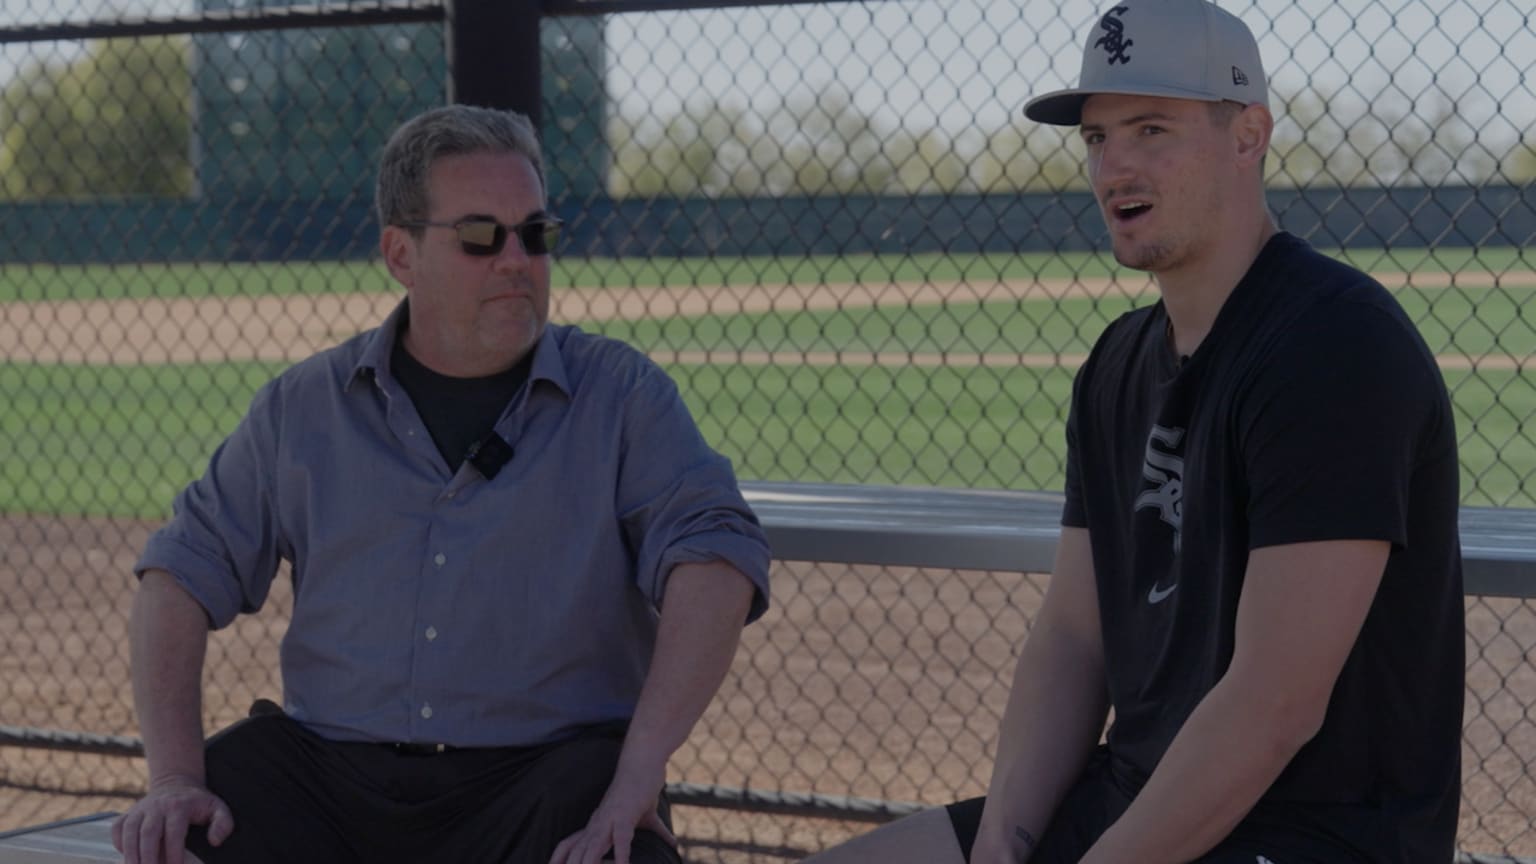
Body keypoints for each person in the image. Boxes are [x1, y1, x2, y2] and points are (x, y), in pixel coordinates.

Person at [806, 1, 1463, 862]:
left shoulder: (1334, 344)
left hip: (1308, 832)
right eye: (1096, 138)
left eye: (1151, 128)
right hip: (1132, 800)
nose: (1115, 165)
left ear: (1248, 135)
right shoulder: (1117, 363)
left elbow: (1274, 704)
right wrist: (1003, 844)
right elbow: (1074, 637)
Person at [111, 104, 772, 864]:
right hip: (328, 782)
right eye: (481, 236)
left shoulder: (620, 396)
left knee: (627, 853)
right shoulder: (304, 406)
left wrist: (637, 776)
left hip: (543, 779)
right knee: (179, 839)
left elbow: (718, 557)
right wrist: (171, 777)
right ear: (400, 253)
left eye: (536, 233)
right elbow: (176, 579)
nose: (517, 259)